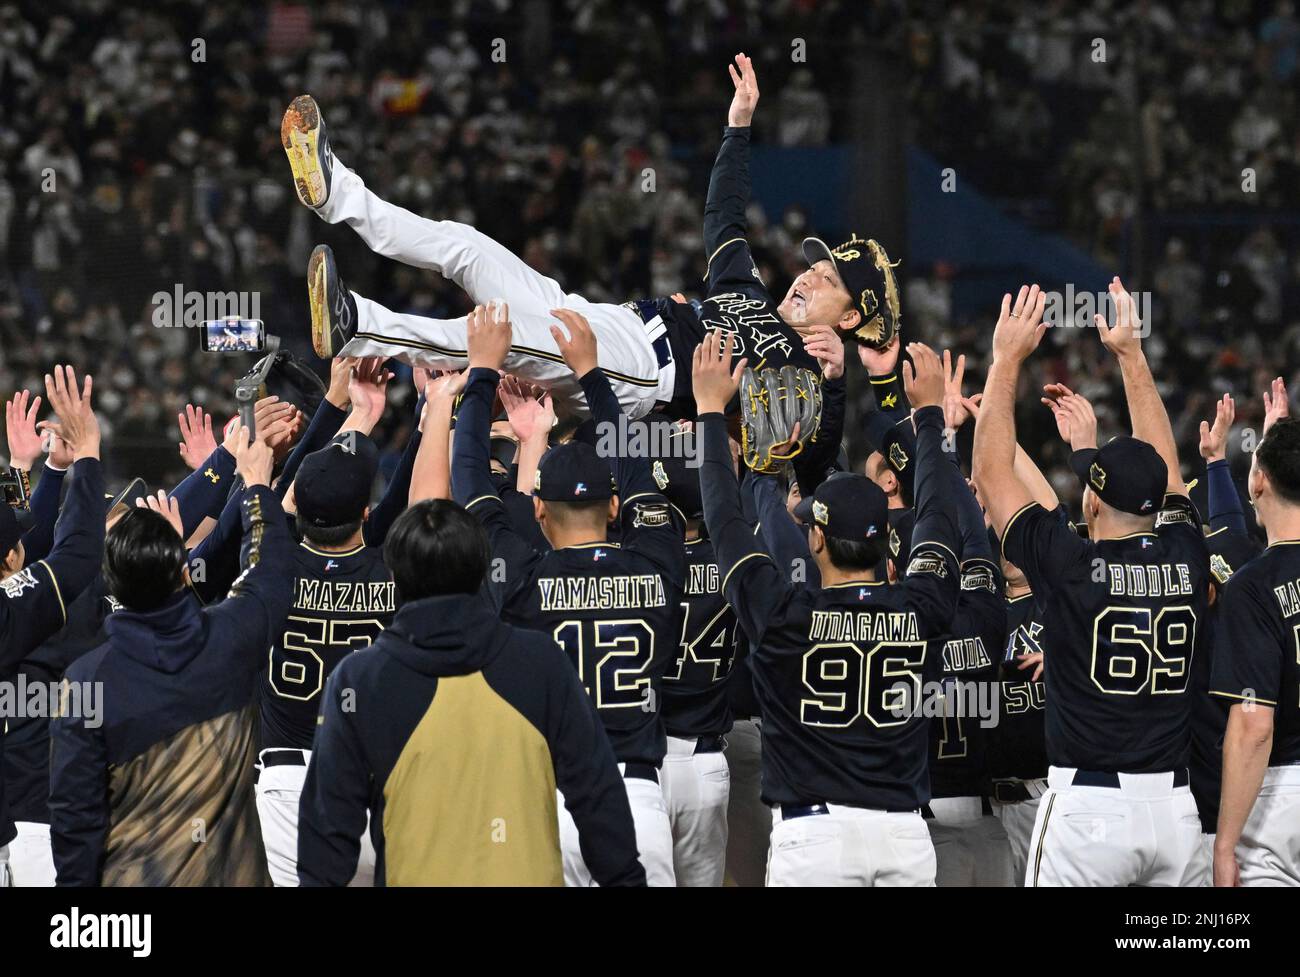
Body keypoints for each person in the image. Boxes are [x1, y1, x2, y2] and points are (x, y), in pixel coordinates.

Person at [281, 54, 893, 420]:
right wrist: (737, 126)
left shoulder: (804, 371)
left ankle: (355, 323)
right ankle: (338, 194)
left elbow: (808, 466)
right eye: (817, 264)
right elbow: (724, 219)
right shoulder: (750, 294)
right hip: (606, 320)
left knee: (488, 340)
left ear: (847, 318)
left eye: (831, 279)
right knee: (466, 246)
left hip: (635, 375)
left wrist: (837, 389)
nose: (811, 273)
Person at [695, 331, 967, 886]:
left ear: (816, 539)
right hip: (905, 837)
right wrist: (932, 416)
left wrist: (712, 416)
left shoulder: (782, 612)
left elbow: (723, 522)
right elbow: (940, 512)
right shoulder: (921, 605)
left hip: (814, 838)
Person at [972, 280, 1209, 887]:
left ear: (1094, 501)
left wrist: (1005, 362)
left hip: (1091, 809)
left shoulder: (1069, 563)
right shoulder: (1186, 555)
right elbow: (1169, 475)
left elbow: (990, 473)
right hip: (1176, 812)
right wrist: (1131, 355)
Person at [451, 303, 685, 886]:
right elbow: (634, 467)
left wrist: (481, 372)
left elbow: (471, 481)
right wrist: (592, 375)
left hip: (546, 801)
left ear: (537, 508)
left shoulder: (522, 577)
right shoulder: (655, 566)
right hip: (634, 801)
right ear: (613, 507)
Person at [296, 499, 645, 887]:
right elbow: (598, 798)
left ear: (393, 578)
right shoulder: (541, 662)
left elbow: (326, 837)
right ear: (482, 571)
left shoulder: (359, 680)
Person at [48, 425, 294, 886]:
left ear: (113, 582)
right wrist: (257, 485)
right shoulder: (231, 636)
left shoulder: (85, 684)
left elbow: (75, 822)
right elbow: (270, 571)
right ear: (183, 569)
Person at [254, 433, 395, 887]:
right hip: (369, 784)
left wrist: (262, 487)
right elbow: (417, 496)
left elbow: (262, 528)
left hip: (286, 786)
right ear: (366, 515)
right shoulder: (393, 572)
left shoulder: (270, 572)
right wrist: (429, 417)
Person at [0, 366, 106, 887]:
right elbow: (75, 554)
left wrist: (31, 468)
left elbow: (25, 548)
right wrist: (86, 455)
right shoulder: (8, 618)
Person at [1210, 414, 1300, 886]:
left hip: (1283, 796)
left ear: (1259, 479)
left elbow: (1253, 725)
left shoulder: (1253, 587)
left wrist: (1225, 846)